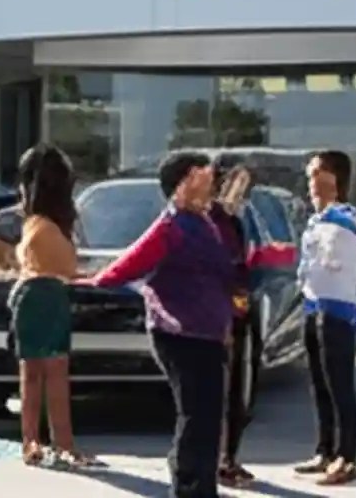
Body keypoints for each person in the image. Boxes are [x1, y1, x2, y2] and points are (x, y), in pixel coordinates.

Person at [83, 151, 236, 498]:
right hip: (179, 334)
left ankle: (204, 486)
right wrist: (86, 282)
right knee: (196, 414)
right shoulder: (171, 226)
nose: (211, 177)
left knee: (210, 415)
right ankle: (188, 487)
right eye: (202, 173)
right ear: (183, 182)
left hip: (208, 334)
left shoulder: (208, 222)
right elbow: (126, 267)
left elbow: (224, 273)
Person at [9, 144, 99, 468]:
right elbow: (64, 267)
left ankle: (35, 442)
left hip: (36, 296)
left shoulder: (34, 222)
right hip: (46, 296)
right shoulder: (47, 225)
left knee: (33, 373)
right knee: (53, 373)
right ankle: (59, 444)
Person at [293, 149, 356, 487]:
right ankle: (325, 450)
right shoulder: (317, 220)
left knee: (340, 387)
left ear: (335, 178)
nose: (311, 183)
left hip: (337, 310)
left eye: (317, 174)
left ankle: (347, 458)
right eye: (309, 175)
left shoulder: (345, 217)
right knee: (319, 385)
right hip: (313, 305)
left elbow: (333, 258)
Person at [207, 161, 255, 488]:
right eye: (235, 186)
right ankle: (217, 462)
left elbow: (241, 268)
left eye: (244, 189)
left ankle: (230, 458)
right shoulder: (207, 222)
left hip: (238, 314)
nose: (239, 195)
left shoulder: (234, 223)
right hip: (214, 315)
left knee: (236, 392)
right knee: (216, 394)